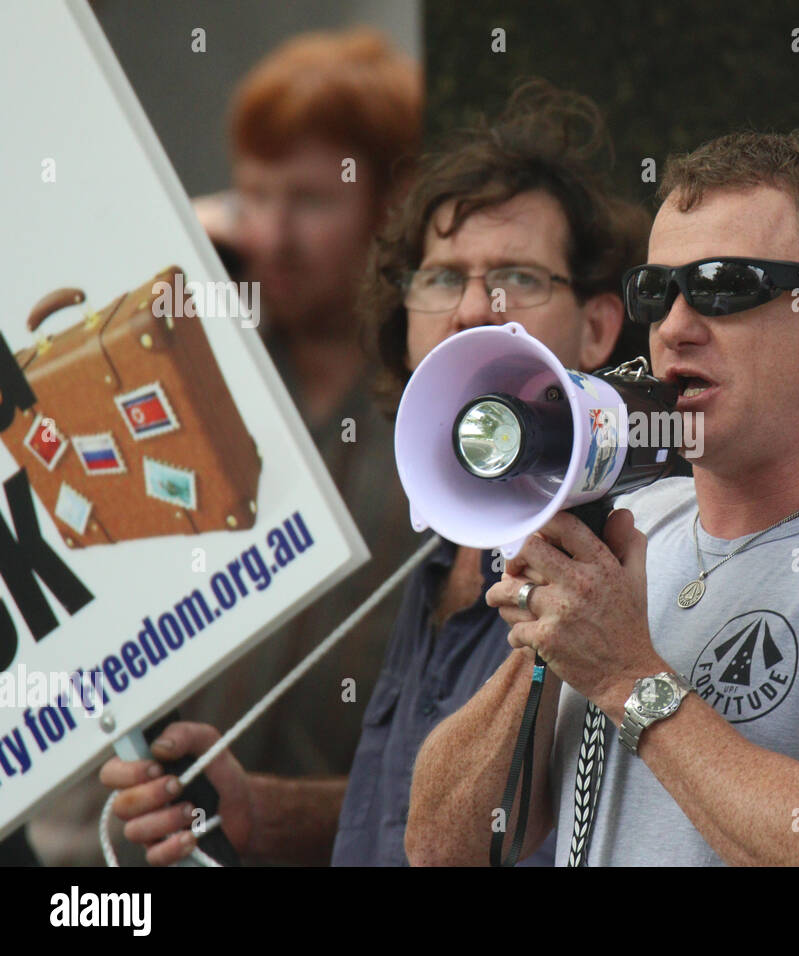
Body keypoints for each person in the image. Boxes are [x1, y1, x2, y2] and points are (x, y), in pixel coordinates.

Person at [404, 131, 799, 866]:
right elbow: (440, 848)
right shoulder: (637, 521)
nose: (674, 327)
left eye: (726, 286)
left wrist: (625, 677)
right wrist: (549, 645)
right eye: (655, 290)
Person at [100, 81, 650, 867]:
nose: (471, 311)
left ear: (598, 328)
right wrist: (262, 810)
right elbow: (405, 806)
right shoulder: (441, 545)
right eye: (440, 278)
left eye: (519, 278)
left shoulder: (625, 551)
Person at [27, 27, 426, 866]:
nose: (274, 235)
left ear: (396, 205)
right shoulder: (193, 359)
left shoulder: (429, 403)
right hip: (121, 858)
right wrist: (178, 248)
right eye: (255, 196)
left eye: (312, 201)